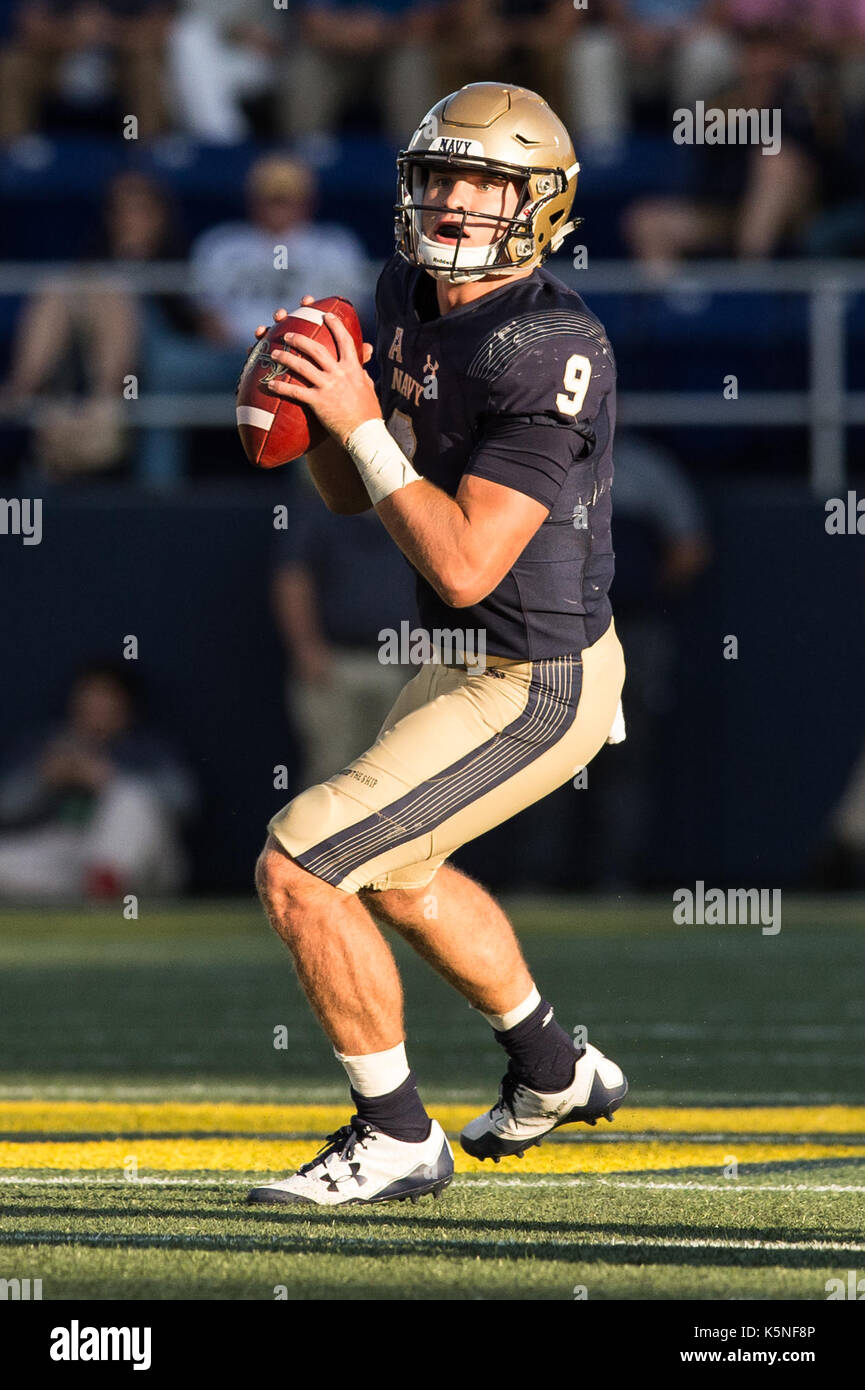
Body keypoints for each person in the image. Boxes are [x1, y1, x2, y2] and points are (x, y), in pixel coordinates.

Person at [249, 82, 628, 1208]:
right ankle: (556, 1072)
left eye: (490, 184)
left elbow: (465, 560)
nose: (459, 202)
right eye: (443, 176)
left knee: (302, 863)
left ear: (543, 206)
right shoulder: (402, 290)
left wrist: (360, 419)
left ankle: (396, 1135)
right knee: (401, 875)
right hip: (465, 653)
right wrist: (321, 414)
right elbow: (353, 500)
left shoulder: (553, 346)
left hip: (537, 676)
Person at [0, 661, 196, 900]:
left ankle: (106, 882)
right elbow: (6, 809)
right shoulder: (53, 744)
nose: (96, 706)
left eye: (106, 698)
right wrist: (42, 780)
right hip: (72, 860)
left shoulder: (147, 749)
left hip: (143, 864)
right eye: (89, 697)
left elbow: (185, 803)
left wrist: (106, 777)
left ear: (125, 705)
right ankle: (98, 891)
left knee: (132, 796)